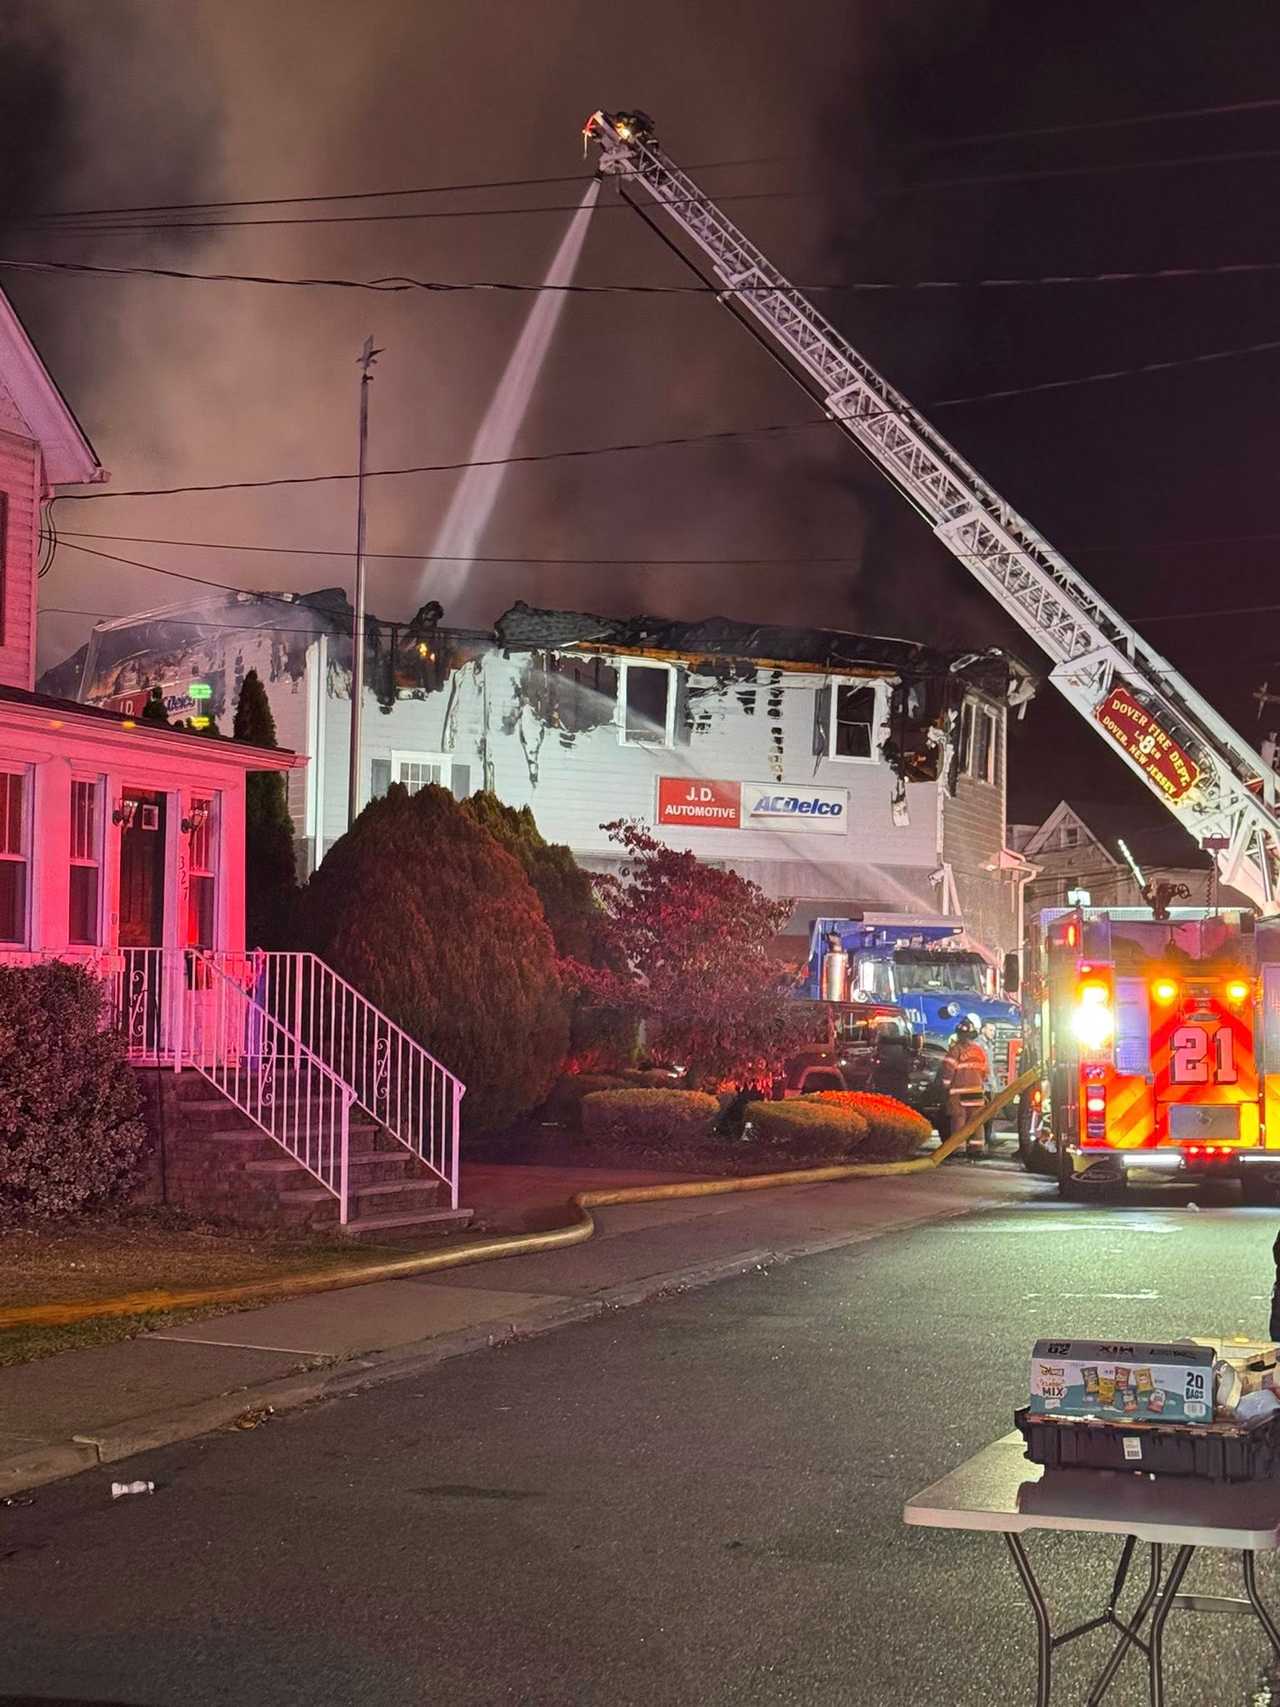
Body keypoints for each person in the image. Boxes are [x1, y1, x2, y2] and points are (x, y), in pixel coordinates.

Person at [940, 1015, 993, 1158]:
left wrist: (945, 1087)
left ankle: (959, 1149)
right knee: (976, 1121)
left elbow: (948, 1071)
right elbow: (985, 1072)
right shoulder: (979, 1051)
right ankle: (977, 1148)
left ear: (959, 1034)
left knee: (959, 1120)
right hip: (976, 1092)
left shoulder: (955, 1051)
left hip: (958, 1093)